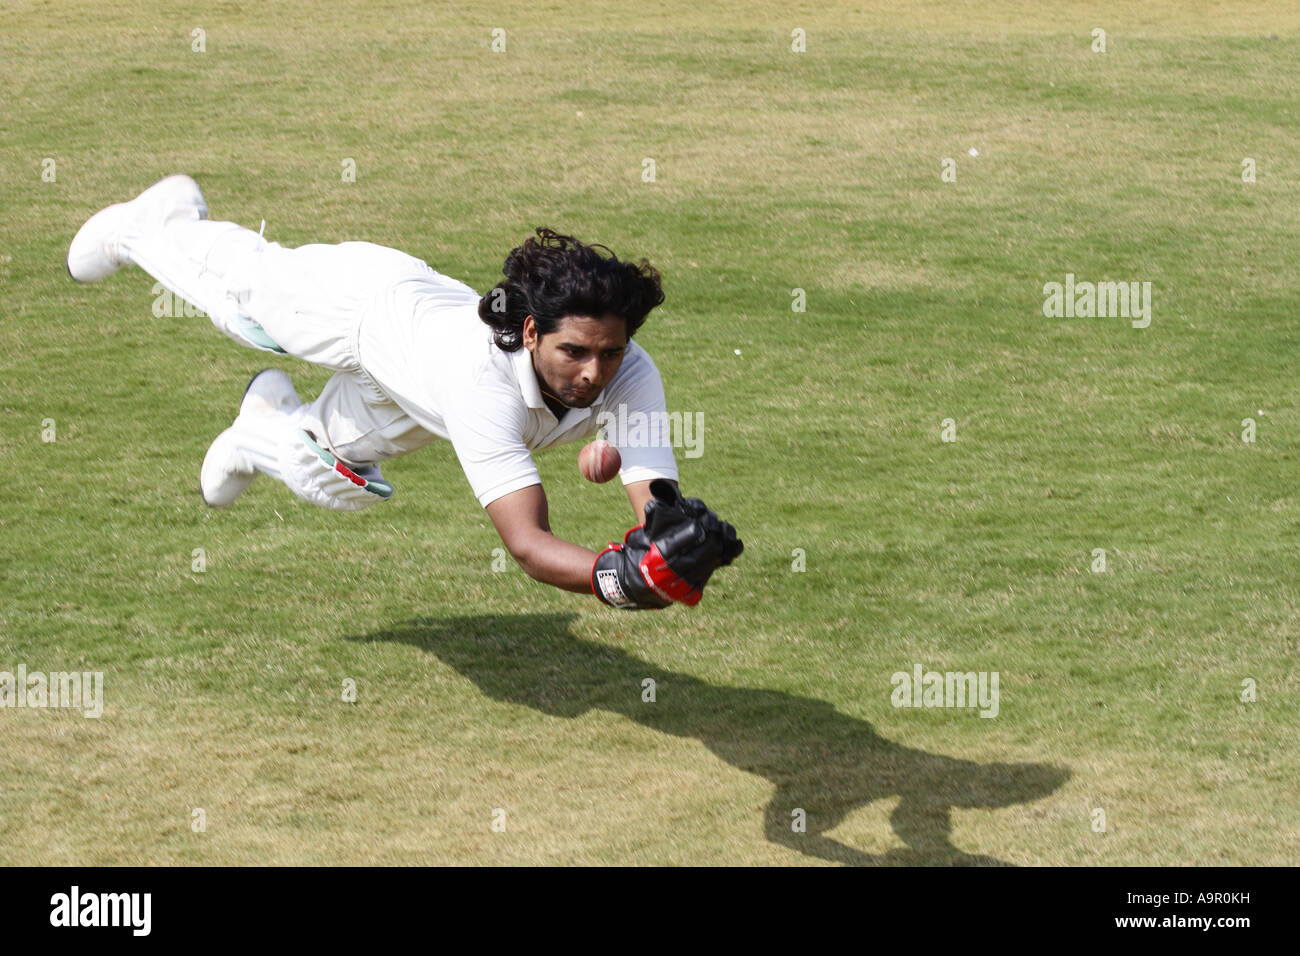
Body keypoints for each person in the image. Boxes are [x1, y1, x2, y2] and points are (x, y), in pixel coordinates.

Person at [66, 175, 742, 610]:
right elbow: (529, 544)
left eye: (609, 350)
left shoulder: (633, 370)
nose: (595, 372)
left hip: (412, 394)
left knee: (336, 478)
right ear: (532, 333)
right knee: (240, 305)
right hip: (359, 307)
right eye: (575, 352)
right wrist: (615, 578)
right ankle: (156, 222)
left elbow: (656, 500)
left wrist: (664, 544)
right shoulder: (482, 386)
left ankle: (259, 429)